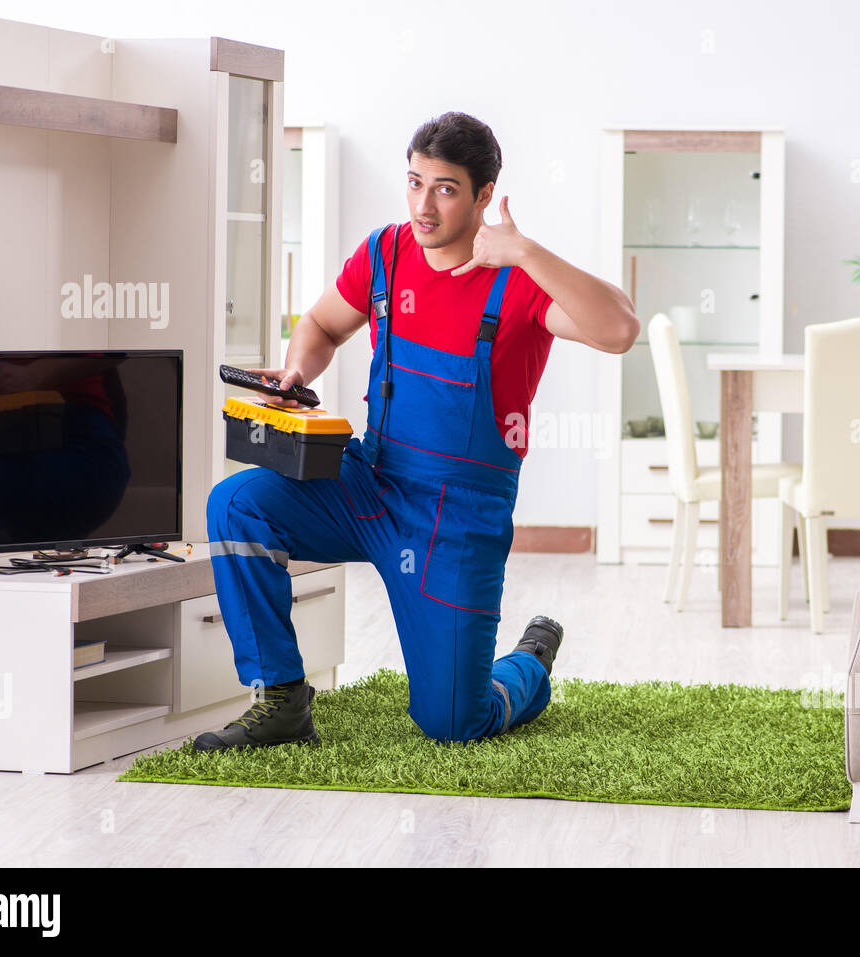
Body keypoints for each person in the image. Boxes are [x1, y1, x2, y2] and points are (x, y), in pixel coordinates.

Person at [194, 111, 638, 751]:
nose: (423, 206)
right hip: (369, 486)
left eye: (446, 188)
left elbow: (619, 330)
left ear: (485, 196)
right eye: (414, 182)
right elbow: (320, 325)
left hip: (457, 518)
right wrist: (297, 368)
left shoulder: (520, 283)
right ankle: (282, 699)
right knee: (235, 504)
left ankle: (529, 665)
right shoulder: (385, 252)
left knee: (453, 722)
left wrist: (526, 251)